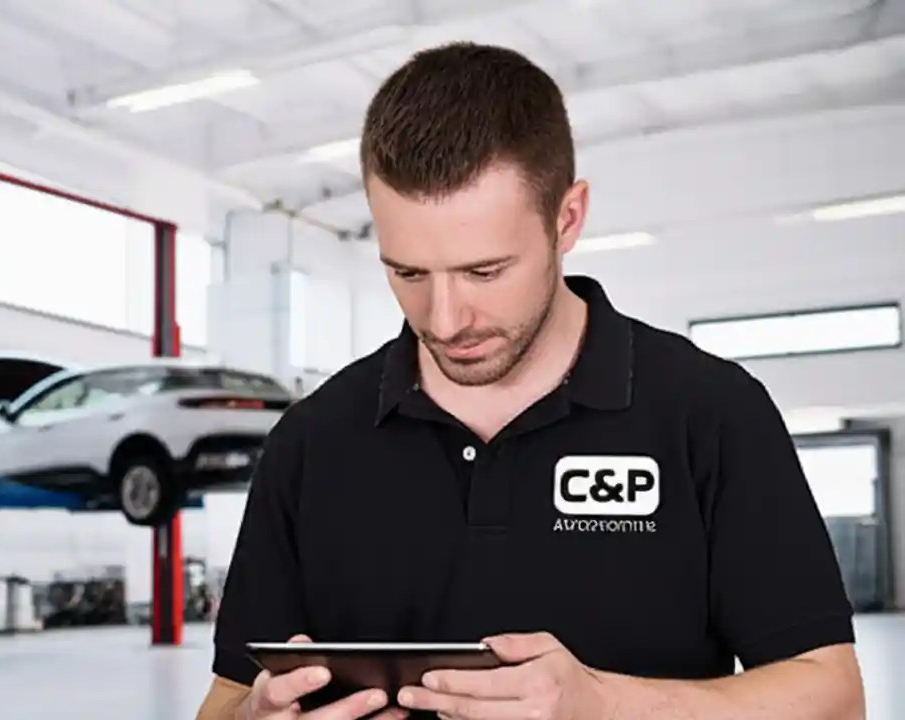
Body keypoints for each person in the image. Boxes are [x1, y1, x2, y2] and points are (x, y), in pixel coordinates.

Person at [195, 42, 865, 720]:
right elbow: (225, 697)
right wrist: (255, 717)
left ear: (566, 219)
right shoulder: (313, 440)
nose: (446, 319)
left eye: (484, 272)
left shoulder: (709, 413)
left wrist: (603, 704)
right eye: (408, 273)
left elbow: (832, 697)